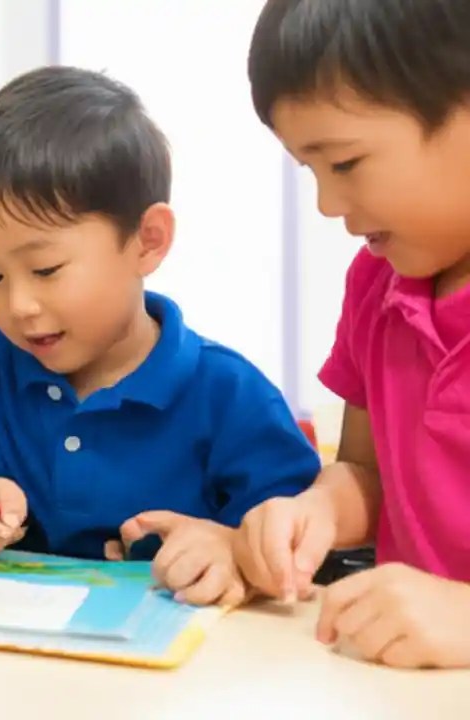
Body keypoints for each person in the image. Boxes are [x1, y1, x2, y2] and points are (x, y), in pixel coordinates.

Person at [0, 66, 320, 607]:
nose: (18, 306)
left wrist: (233, 548)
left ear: (148, 241)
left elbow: (299, 545)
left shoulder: (230, 394)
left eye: (45, 269)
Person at [235, 0, 470, 668]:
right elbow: (366, 472)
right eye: (309, 171)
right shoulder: (376, 284)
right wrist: (318, 512)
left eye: (344, 163)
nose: (328, 205)